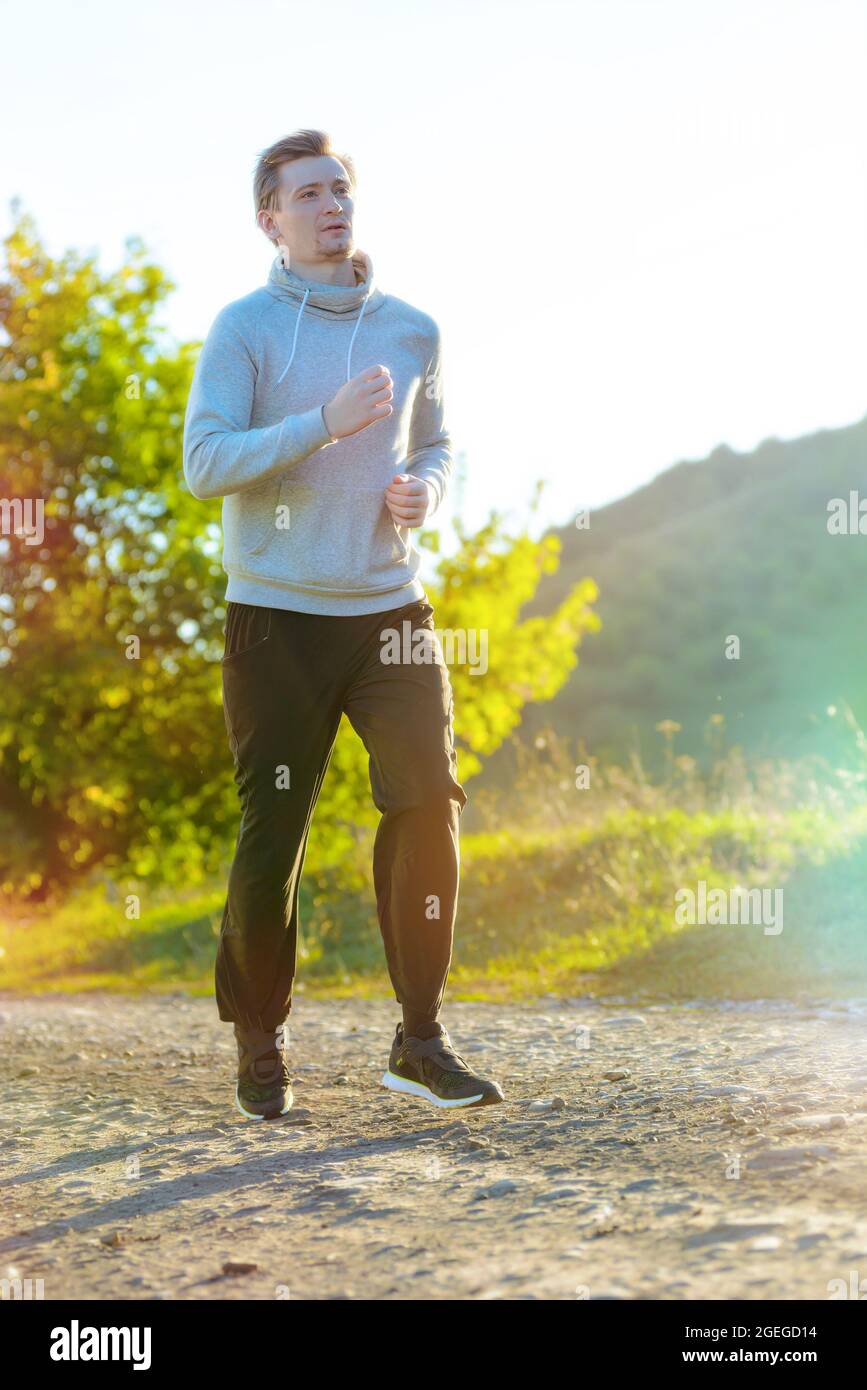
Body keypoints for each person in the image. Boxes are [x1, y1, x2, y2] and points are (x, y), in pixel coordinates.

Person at [183, 128, 504, 1119]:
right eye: (307, 193)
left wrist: (425, 491)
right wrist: (322, 423)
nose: (331, 206)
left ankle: (419, 1038)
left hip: (389, 608)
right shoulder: (242, 329)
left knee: (428, 806)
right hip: (277, 615)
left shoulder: (413, 330)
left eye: (341, 191)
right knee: (273, 830)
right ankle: (258, 1036)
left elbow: (441, 441)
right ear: (269, 217)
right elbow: (205, 465)